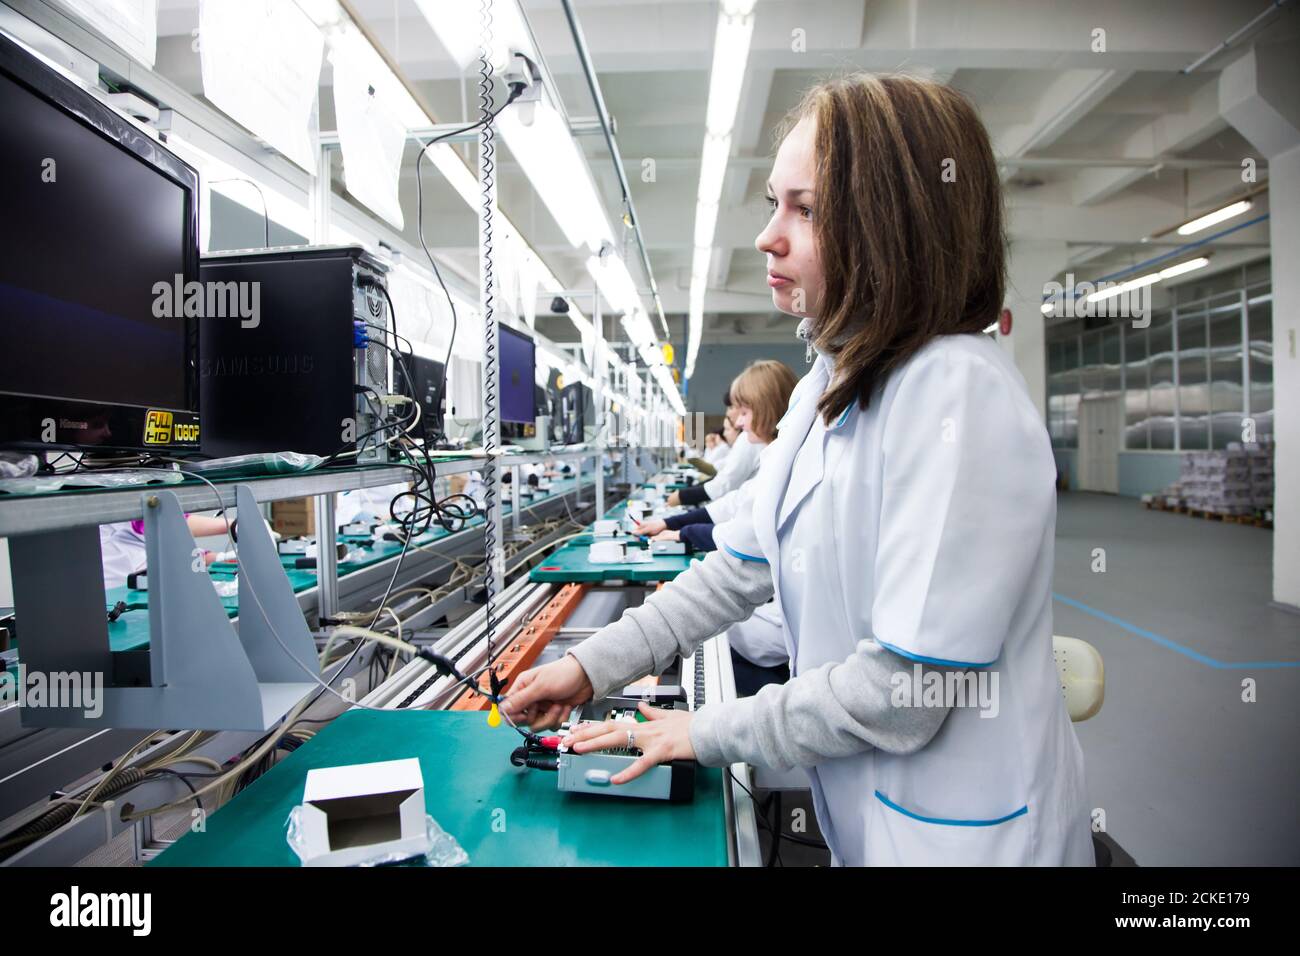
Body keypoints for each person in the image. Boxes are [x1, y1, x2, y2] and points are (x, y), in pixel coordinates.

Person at [506, 73, 1092, 866]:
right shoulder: (826, 385)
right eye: (772, 203)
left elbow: (902, 693)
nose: (767, 237)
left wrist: (703, 731)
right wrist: (589, 664)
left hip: (968, 840)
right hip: (870, 819)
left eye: (805, 209)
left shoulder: (957, 393)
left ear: (894, 223)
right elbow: (736, 567)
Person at [668, 360, 795, 508]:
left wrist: (682, 497)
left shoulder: (752, 441)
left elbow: (726, 483)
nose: (735, 418)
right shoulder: (772, 450)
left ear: (767, 409)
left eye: (741, 410)